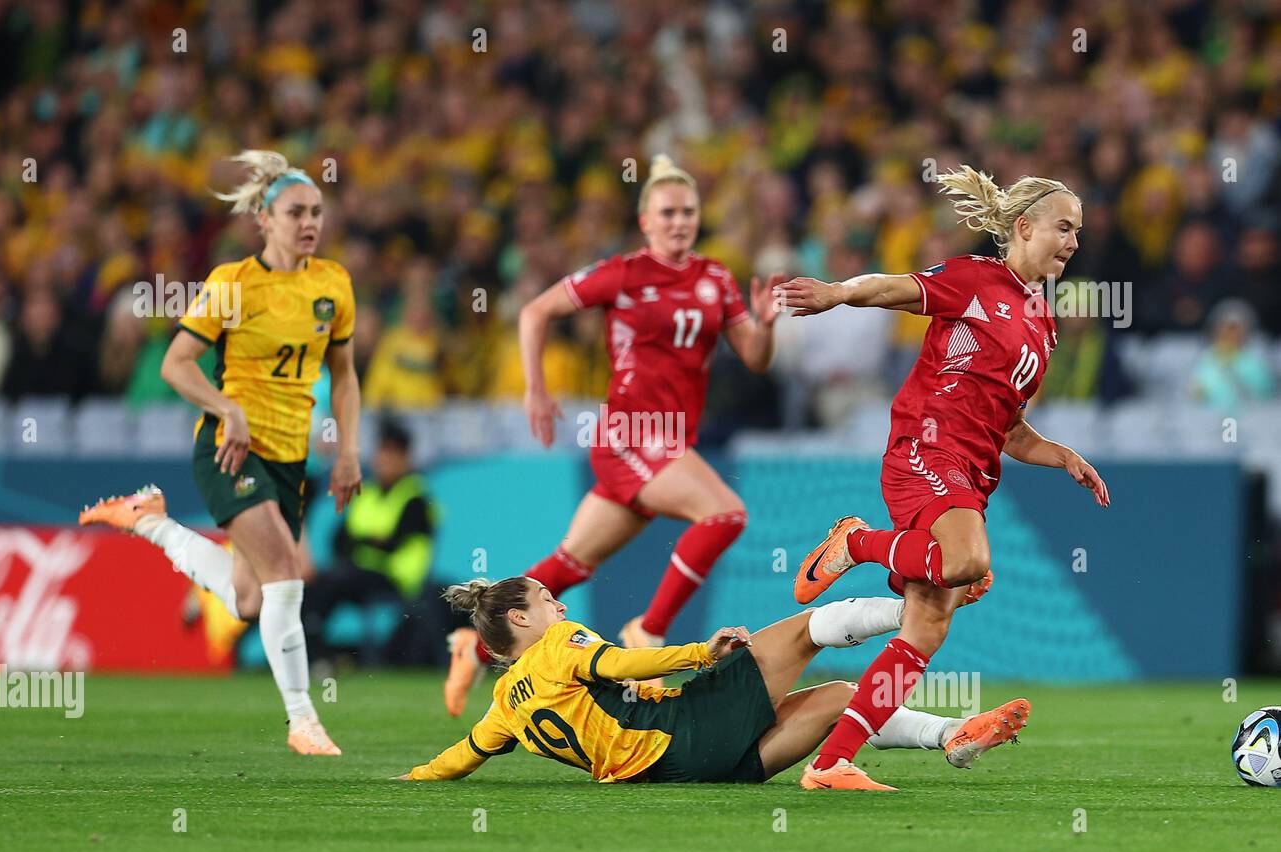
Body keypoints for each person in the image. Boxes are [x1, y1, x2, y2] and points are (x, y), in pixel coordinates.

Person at [779, 165, 1109, 790]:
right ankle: (857, 542)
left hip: (972, 472)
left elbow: (1009, 429)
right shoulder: (975, 279)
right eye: (1063, 227)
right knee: (965, 563)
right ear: (1023, 226)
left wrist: (1061, 455)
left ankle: (831, 763)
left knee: (927, 627)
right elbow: (892, 288)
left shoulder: (1044, 324)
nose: (1072, 241)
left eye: (1079, 232)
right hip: (927, 452)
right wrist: (838, 293)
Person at [444, 154, 785, 714]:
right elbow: (534, 311)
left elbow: (755, 359)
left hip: (671, 440)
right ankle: (648, 630)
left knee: (569, 566)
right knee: (724, 514)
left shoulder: (716, 278)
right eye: (668, 212)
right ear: (645, 220)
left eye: (689, 212)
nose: (680, 222)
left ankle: (475, 645)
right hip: (631, 432)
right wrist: (536, 387)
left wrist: (766, 327)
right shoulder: (623, 273)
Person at [78, 150, 362, 756]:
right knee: (287, 572)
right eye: (295, 212)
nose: (309, 222)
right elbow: (175, 364)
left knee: (249, 599)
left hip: (288, 460)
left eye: (316, 211)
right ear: (264, 217)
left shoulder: (333, 284)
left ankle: (150, 521)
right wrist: (227, 409)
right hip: (228, 451)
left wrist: (347, 452)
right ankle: (303, 720)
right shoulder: (233, 284)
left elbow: (344, 373)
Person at [400, 576, 1029, 786]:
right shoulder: (561, 645)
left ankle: (950, 733)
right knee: (808, 628)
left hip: (691, 769)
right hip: (684, 726)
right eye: (547, 601)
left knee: (841, 701)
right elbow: (623, 664)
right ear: (519, 619)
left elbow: (461, 757)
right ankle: (918, 608)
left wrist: (413, 779)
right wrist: (702, 651)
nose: (560, 609)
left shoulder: (502, 707)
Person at [301, 417, 435, 669]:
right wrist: (368, 542)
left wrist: (362, 543)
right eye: (382, 453)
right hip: (358, 573)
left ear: (405, 458)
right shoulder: (368, 492)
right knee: (319, 582)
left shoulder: (415, 497)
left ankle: (317, 652)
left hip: (395, 577)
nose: (384, 461)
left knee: (335, 580)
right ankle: (313, 648)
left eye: (391, 454)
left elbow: (392, 544)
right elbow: (340, 539)